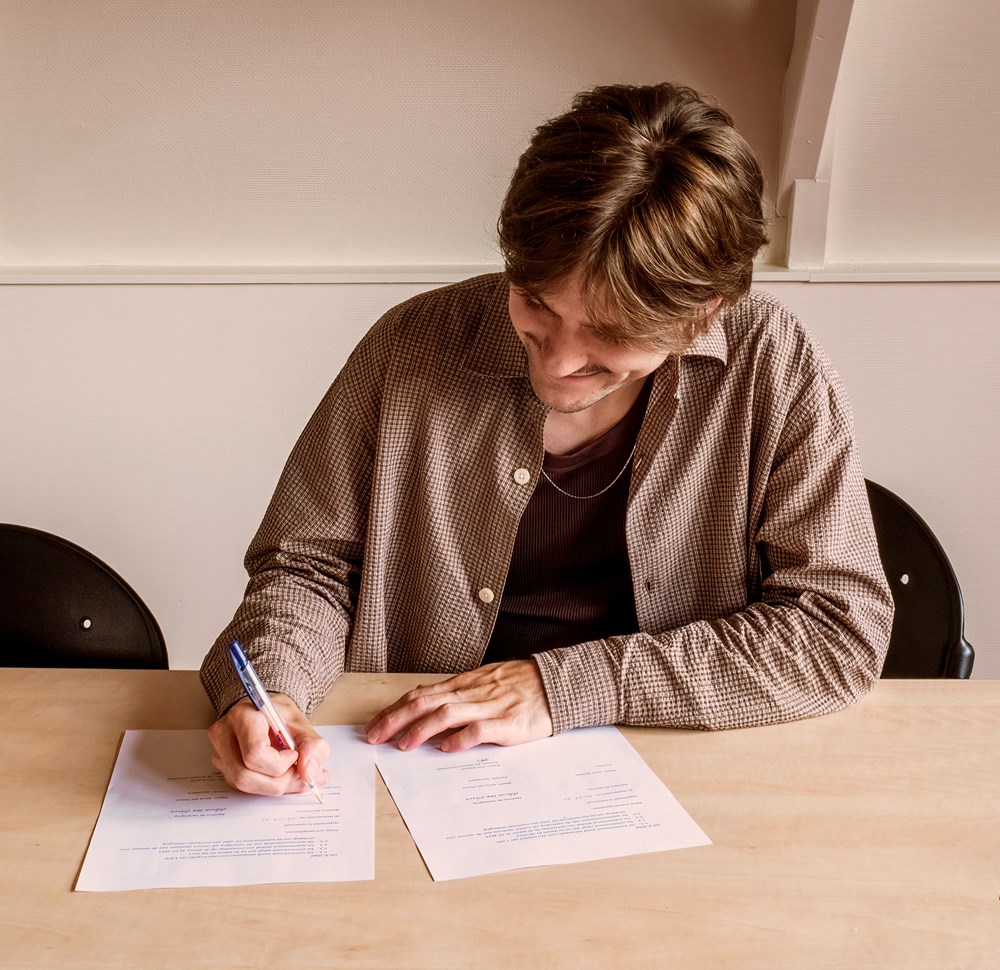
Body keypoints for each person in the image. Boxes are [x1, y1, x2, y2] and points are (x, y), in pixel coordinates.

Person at [201, 82, 893, 797]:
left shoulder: (773, 364)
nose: (559, 363)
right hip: (426, 763)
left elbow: (837, 632)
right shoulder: (410, 345)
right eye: (536, 303)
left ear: (704, 311)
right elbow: (307, 568)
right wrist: (270, 691)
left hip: (683, 767)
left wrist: (561, 686)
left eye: (612, 333)